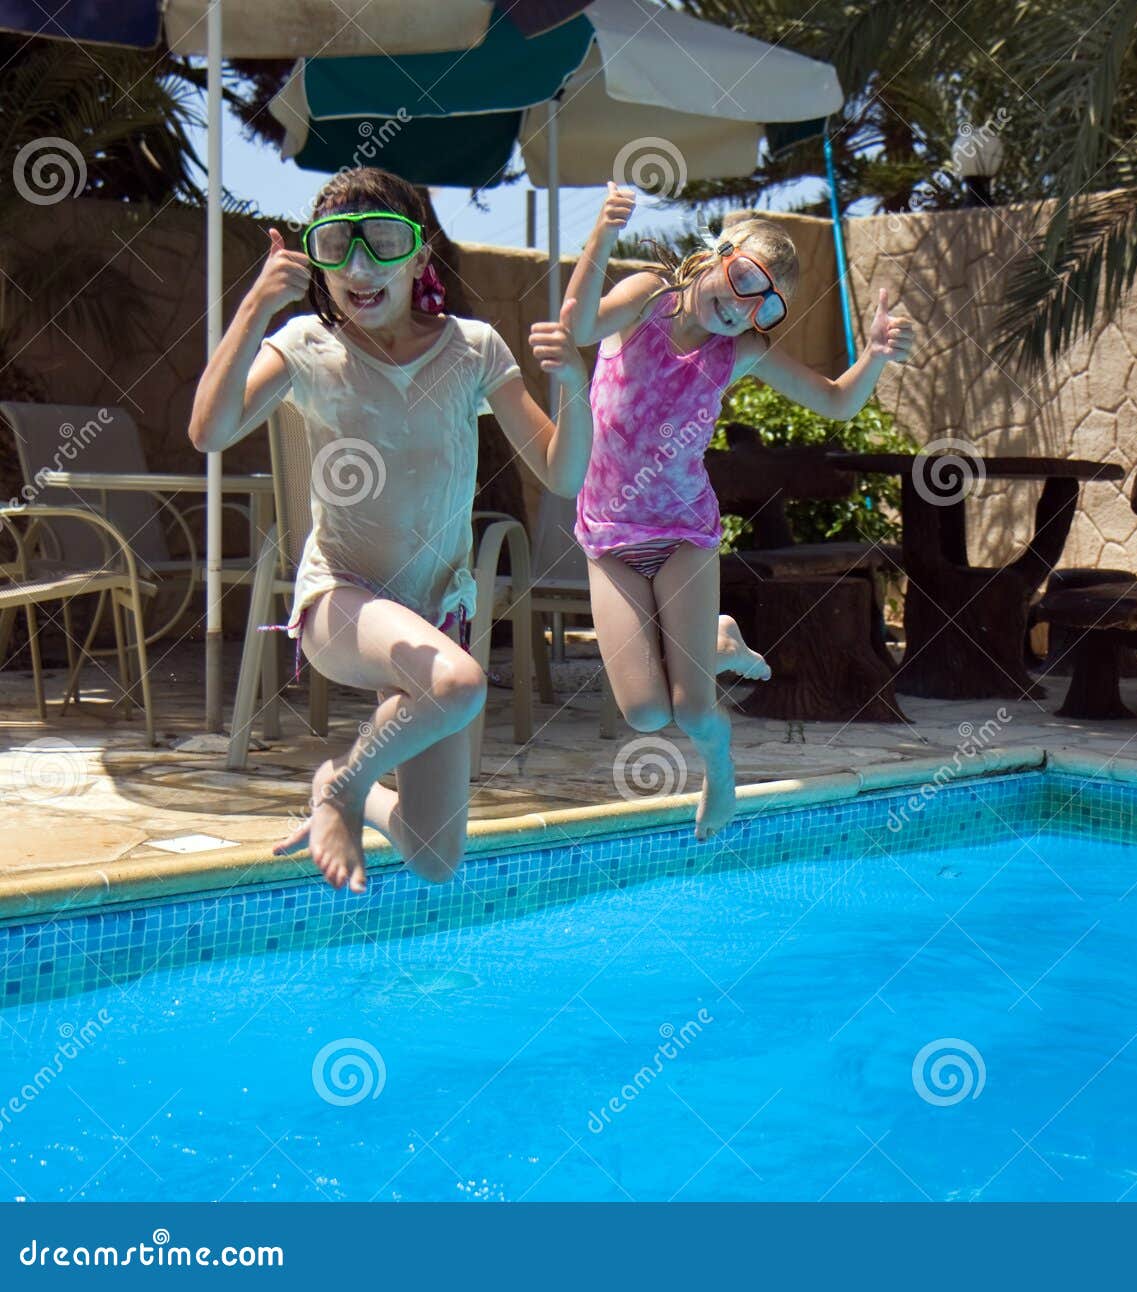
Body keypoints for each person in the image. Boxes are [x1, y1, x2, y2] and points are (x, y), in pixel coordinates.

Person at [188, 167, 592, 894]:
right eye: (337, 247)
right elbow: (209, 430)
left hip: (436, 614)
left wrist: (576, 387)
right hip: (340, 599)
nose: (360, 267)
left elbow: (561, 472)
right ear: (315, 259)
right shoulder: (305, 343)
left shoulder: (473, 348)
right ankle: (345, 788)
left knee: (435, 857)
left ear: (418, 257)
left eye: (382, 243)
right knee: (461, 680)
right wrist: (253, 310)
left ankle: (344, 787)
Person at [564, 182, 915, 840]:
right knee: (643, 713)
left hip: (685, 533)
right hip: (609, 535)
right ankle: (717, 638)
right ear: (719, 256)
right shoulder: (648, 298)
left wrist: (874, 357)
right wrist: (603, 235)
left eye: (768, 304)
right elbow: (580, 327)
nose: (746, 305)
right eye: (746, 277)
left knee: (695, 713)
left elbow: (836, 402)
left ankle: (720, 772)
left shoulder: (740, 351)